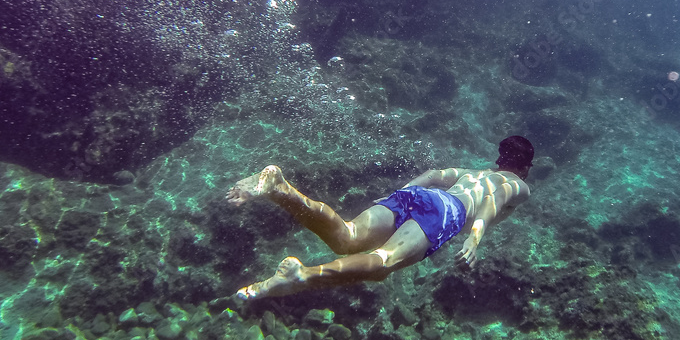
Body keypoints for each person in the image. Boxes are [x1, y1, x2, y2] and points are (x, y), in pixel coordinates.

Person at [228, 136, 534, 299]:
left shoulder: (475, 173)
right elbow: (494, 201)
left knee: (346, 236)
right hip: (447, 210)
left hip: (416, 195)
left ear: (500, 158)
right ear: (526, 166)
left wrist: (400, 197)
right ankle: (302, 276)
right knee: (383, 262)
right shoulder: (518, 185)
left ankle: (280, 189)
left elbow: (433, 175)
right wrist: (474, 239)